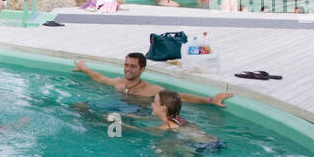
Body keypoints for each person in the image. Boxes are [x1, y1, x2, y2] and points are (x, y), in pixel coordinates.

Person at [73, 53, 234, 107]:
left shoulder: (151, 90)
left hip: (138, 113)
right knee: (80, 106)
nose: (128, 69)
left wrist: (211, 99)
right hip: (118, 108)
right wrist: (84, 68)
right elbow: (100, 77)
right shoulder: (118, 82)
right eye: (126, 65)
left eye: (132, 66)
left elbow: (180, 96)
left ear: (142, 69)